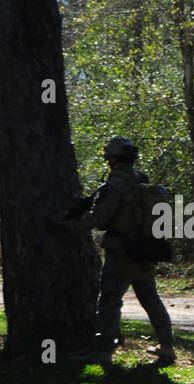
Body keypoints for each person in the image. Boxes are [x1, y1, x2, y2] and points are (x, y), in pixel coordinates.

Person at [75, 137, 175, 366]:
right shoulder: (141, 180)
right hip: (144, 249)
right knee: (150, 298)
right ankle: (167, 346)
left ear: (112, 159)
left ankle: (104, 350)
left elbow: (100, 218)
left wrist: (69, 228)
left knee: (110, 298)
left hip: (120, 251)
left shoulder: (114, 184)